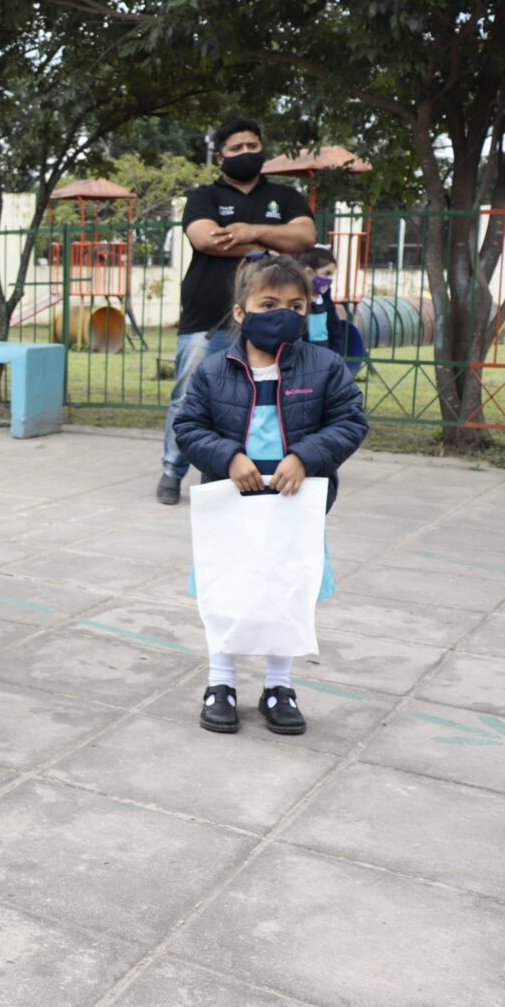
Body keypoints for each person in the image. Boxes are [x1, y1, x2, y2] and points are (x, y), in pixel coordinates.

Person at [174, 253, 367, 736]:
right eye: (269, 303)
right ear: (242, 312)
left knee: (287, 587)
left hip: (293, 503)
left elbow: (349, 421)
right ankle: (221, 682)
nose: (284, 313)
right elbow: (189, 425)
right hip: (229, 501)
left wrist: (306, 456)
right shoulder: (214, 369)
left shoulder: (323, 366)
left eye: (296, 306)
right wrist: (227, 457)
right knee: (226, 589)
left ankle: (279, 686)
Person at [158, 116, 317, 506]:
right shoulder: (203, 197)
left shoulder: (286, 195)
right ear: (220, 157)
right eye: (236, 148)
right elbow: (206, 239)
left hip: (272, 321)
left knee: (270, 396)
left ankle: (255, 470)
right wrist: (270, 241)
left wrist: (247, 231)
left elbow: (306, 236)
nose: (246, 153)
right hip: (207, 317)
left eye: (252, 146)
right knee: (189, 398)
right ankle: (171, 473)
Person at [297, 245, 366, 374]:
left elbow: (334, 327)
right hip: (304, 362)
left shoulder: (324, 297)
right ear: (308, 273)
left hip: (326, 358)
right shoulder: (296, 301)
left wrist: (335, 355)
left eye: (332, 274)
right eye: (327, 273)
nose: (330, 279)